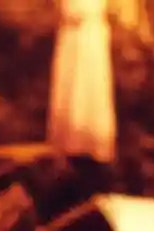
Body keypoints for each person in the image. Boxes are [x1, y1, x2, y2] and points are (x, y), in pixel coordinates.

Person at [47, 0, 116, 164]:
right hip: (71, 33)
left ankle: (89, 143)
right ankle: (69, 142)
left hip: (89, 34)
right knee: (69, 92)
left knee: (89, 91)